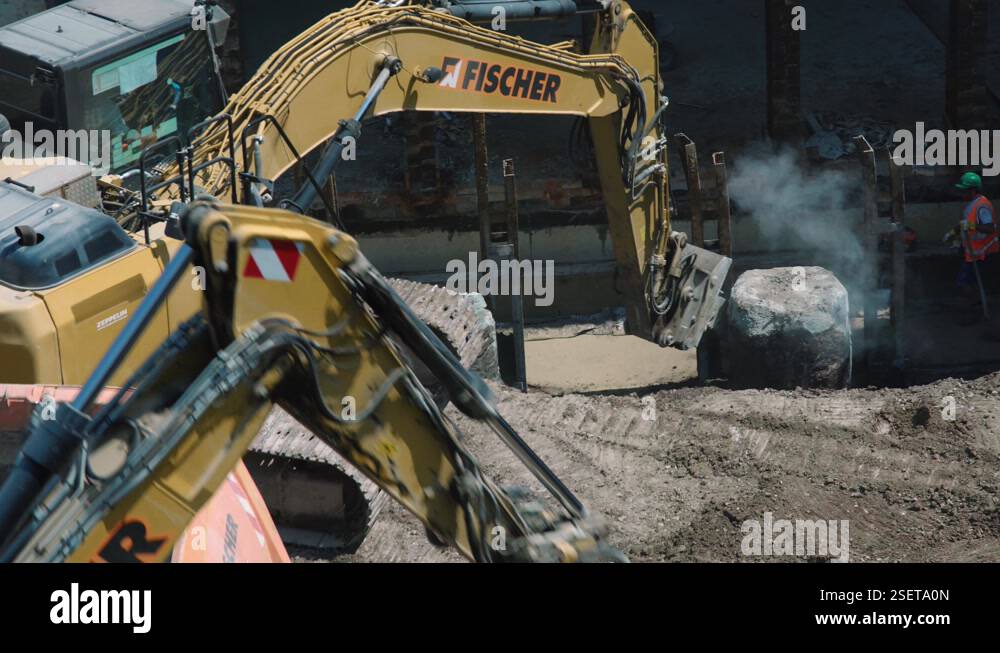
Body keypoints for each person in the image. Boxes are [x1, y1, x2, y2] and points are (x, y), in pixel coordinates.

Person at [951, 172, 998, 325]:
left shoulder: (982, 206)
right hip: (973, 252)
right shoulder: (973, 204)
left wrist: (970, 225)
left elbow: (989, 228)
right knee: (969, 283)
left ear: (973, 190)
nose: (961, 193)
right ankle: (978, 308)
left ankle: (977, 310)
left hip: (982, 252)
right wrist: (955, 234)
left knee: (965, 283)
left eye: (964, 190)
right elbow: (968, 226)